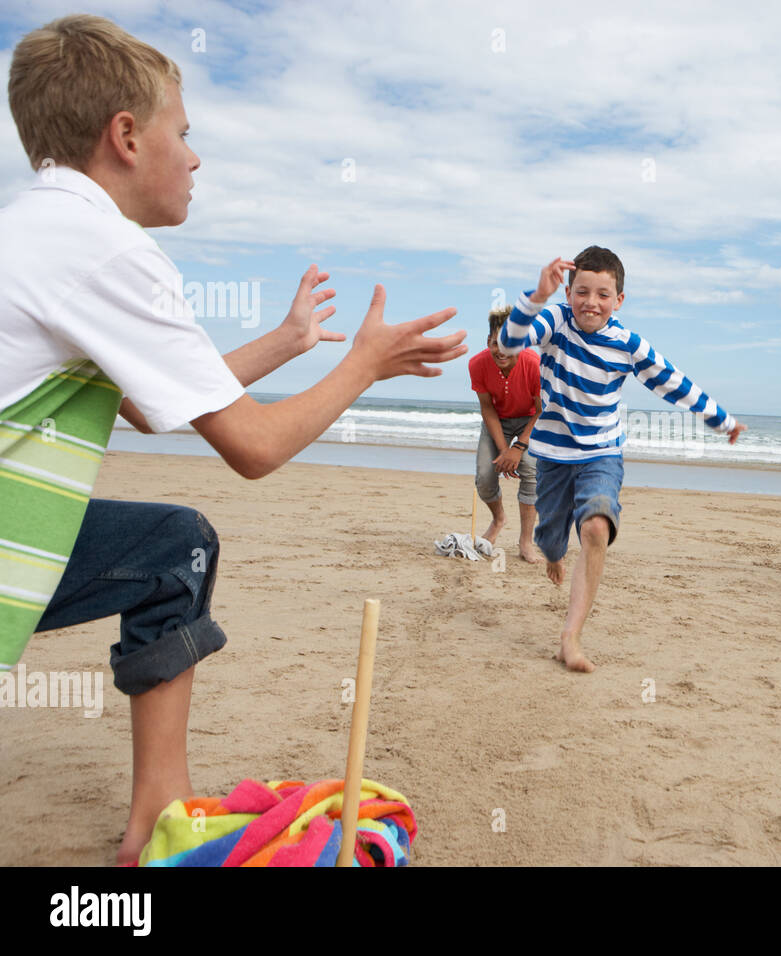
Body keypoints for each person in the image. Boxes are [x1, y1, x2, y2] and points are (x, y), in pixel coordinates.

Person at [0, 15, 467, 863]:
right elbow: (254, 448)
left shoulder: (43, 227)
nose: (197, 157)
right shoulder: (105, 249)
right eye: (185, 131)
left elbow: (150, 405)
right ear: (128, 136)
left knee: (170, 547)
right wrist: (363, 364)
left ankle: (159, 812)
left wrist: (288, 344)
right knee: (178, 544)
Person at [498, 247, 745, 672]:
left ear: (619, 300)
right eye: (581, 292)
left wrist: (721, 420)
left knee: (596, 527)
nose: (590, 302)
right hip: (554, 455)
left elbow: (673, 382)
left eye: (602, 294)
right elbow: (509, 342)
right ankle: (553, 551)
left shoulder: (628, 344)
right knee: (551, 540)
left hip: (602, 452)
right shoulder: (554, 322)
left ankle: (570, 638)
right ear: (569, 292)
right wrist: (537, 295)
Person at [468, 308, 544, 562]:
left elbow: (542, 411)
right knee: (485, 476)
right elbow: (487, 408)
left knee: (531, 472)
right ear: (487, 342)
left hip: (530, 419)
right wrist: (503, 450)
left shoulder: (534, 364)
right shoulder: (477, 364)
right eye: (494, 343)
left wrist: (518, 448)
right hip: (497, 420)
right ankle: (499, 519)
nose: (500, 350)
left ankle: (525, 541)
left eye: (507, 344)